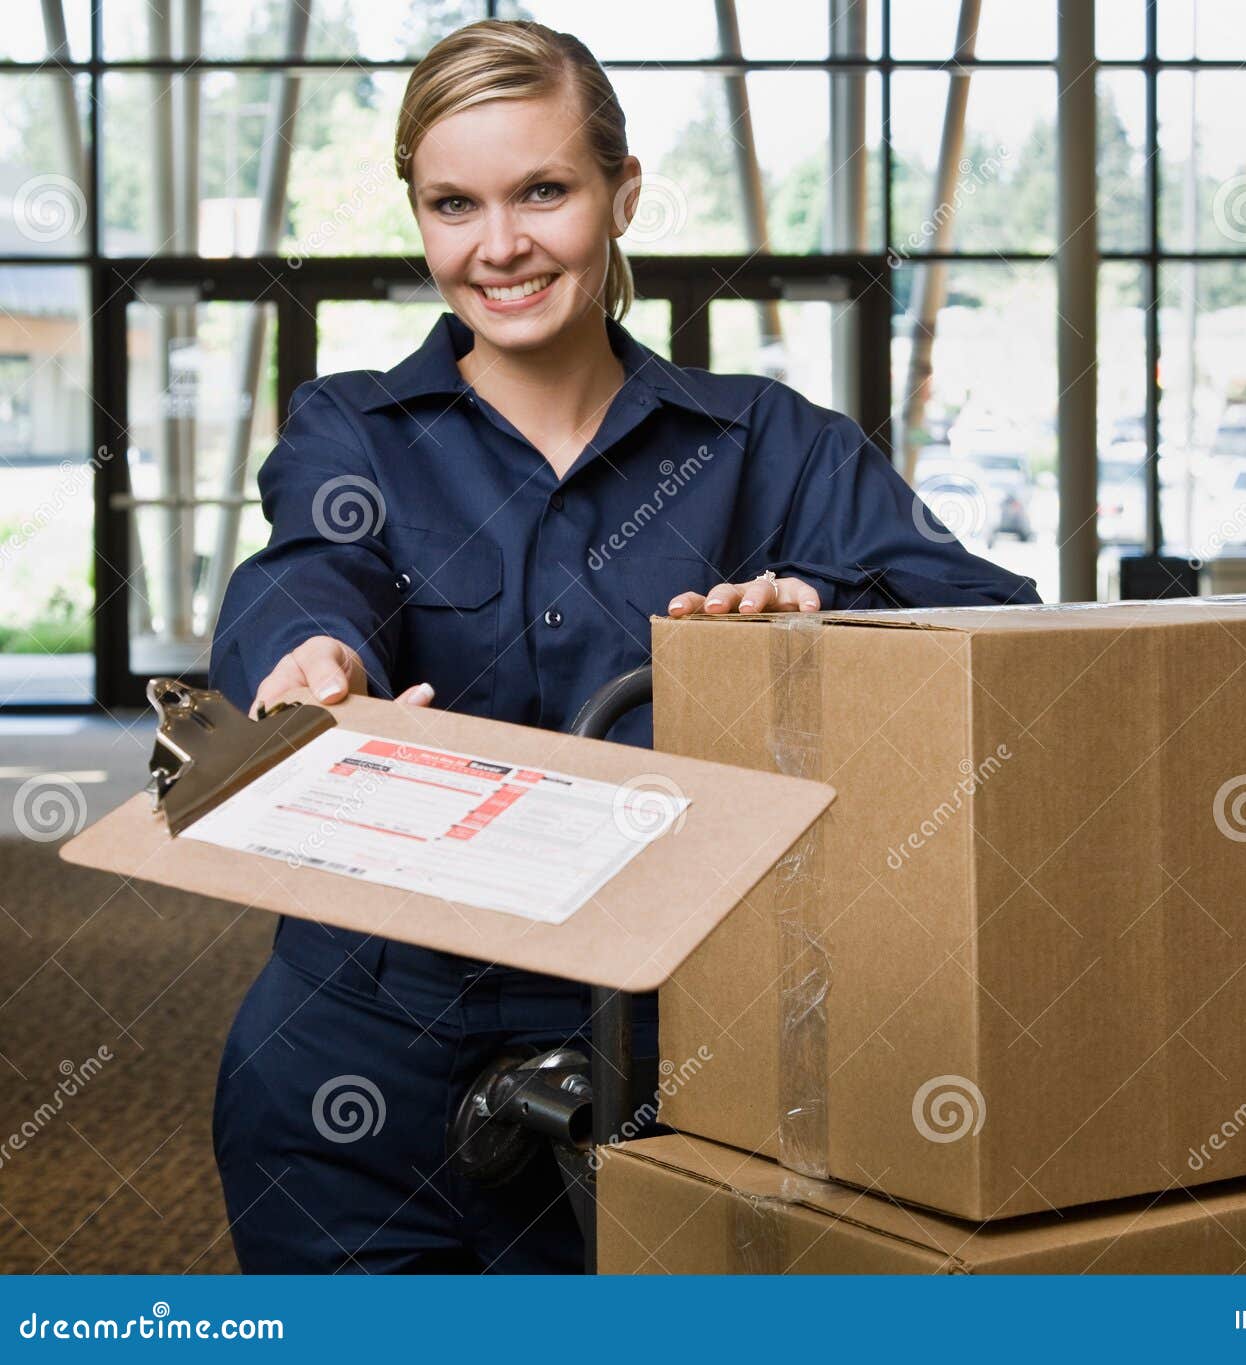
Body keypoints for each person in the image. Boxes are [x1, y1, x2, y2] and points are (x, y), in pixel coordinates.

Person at [206, 17, 1039, 1274]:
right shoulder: (353, 430)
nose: (500, 246)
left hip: (680, 1064)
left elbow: (992, 616)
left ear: (621, 193)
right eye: (454, 203)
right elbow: (306, 573)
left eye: (544, 190)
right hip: (358, 1065)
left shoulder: (771, 444)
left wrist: (826, 616)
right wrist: (307, 663)